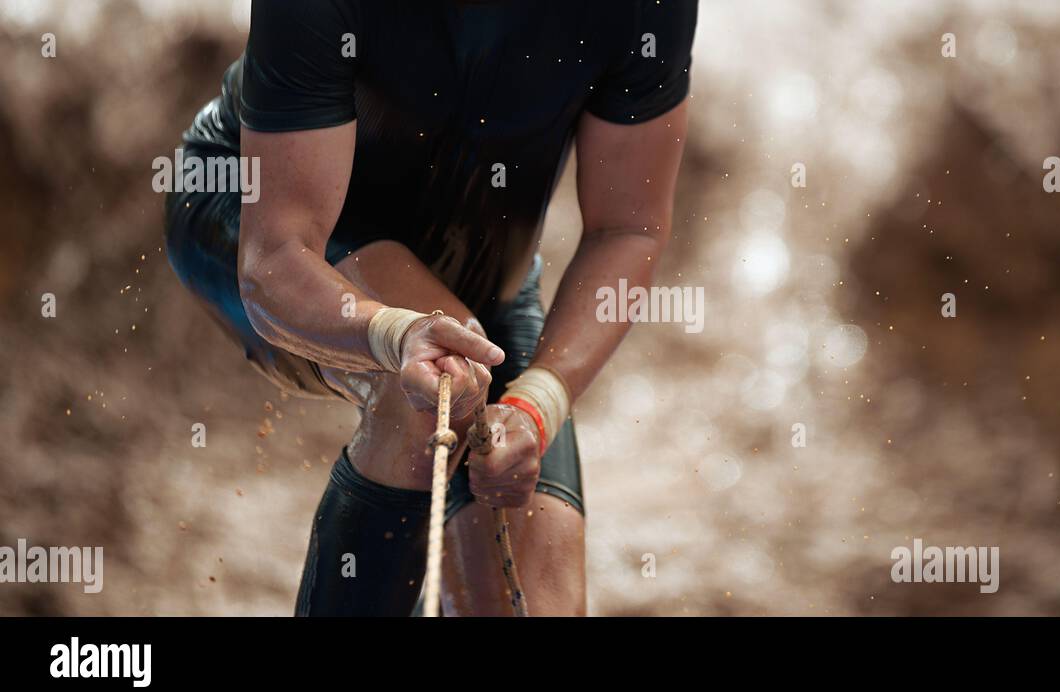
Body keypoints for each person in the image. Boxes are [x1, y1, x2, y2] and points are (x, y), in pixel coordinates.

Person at [163, 0, 696, 616]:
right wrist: (393, 334)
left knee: (536, 604)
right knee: (424, 392)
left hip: (485, 276)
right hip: (251, 218)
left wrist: (539, 401)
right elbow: (276, 258)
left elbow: (627, 229)